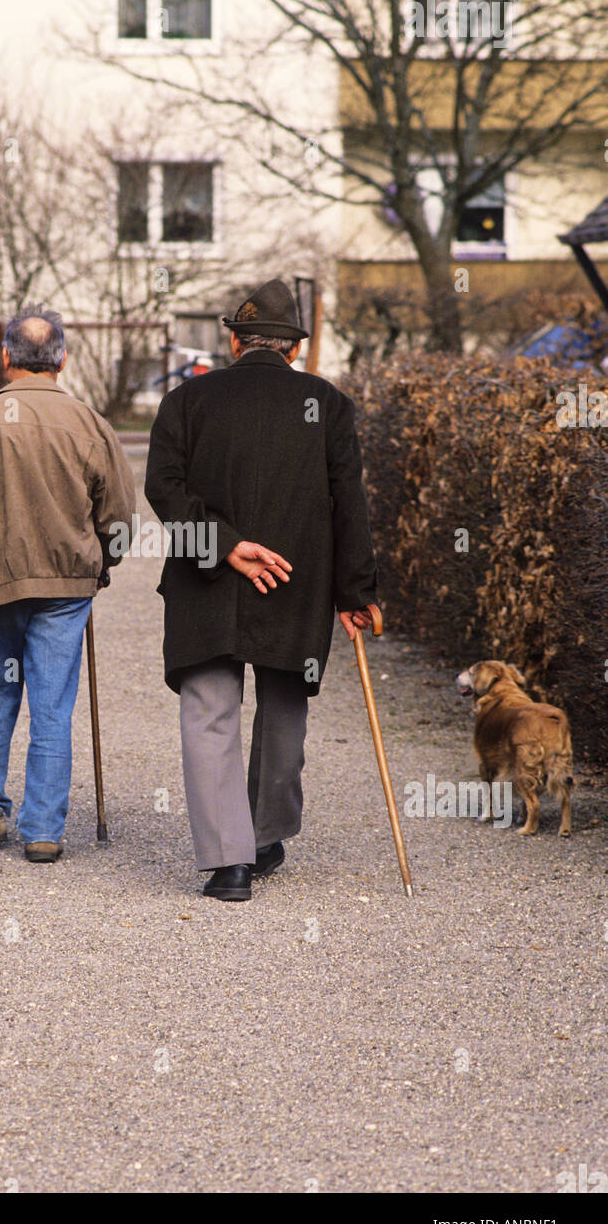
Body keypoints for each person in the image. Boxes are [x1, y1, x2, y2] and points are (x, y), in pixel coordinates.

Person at [145, 279, 378, 901]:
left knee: (208, 713)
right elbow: (349, 505)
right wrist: (356, 591)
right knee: (283, 712)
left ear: (234, 341)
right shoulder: (326, 404)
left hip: (205, 578)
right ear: (294, 349)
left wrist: (223, 546)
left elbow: (164, 491)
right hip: (295, 582)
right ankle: (266, 835)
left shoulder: (186, 399)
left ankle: (231, 864)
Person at [0, 306, 135, 861]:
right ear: (62, 359)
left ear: (5, 359)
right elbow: (116, 516)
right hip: (67, 588)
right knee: (52, 703)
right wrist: (102, 565)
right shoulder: (91, 424)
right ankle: (43, 829)